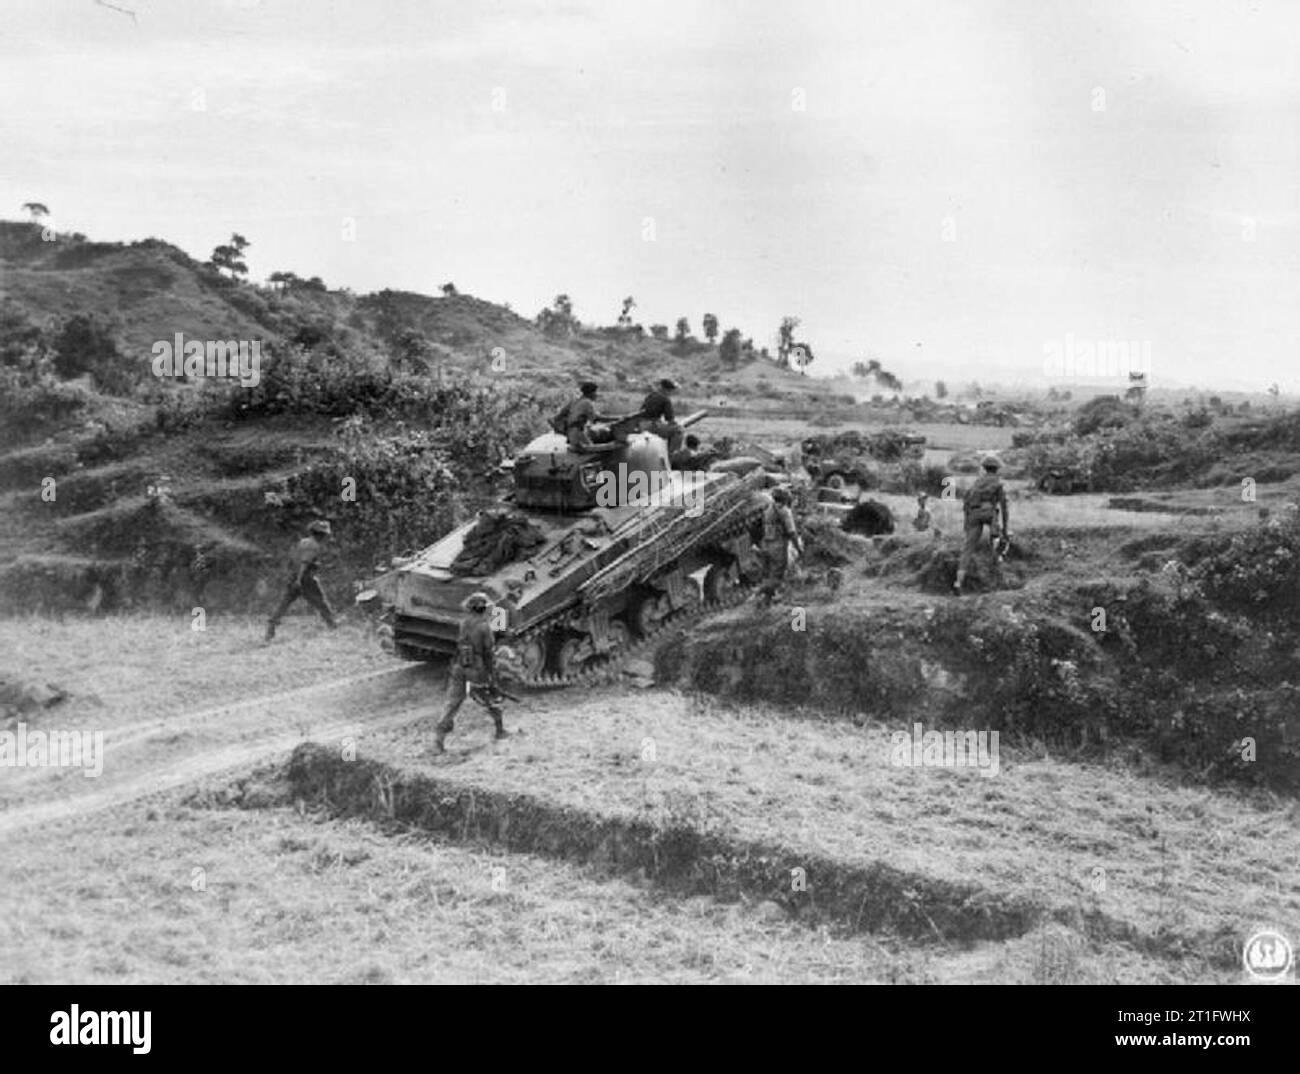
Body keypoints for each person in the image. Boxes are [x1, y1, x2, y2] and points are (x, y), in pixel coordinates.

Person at [433, 592, 508, 754]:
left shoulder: (464, 623)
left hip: (460, 665)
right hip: (477, 667)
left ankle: (438, 740)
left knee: (452, 703)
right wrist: (492, 675)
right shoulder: (484, 627)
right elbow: (488, 652)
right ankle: (500, 730)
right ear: (482, 609)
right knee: (490, 697)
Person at [265, 520, 336, 642]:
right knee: (321, 602)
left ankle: (272, 625)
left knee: (285, 602)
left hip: (294, 576)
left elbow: (294, 559)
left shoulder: (303, 542)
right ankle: (333, 626)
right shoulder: (314, 545)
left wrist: (294, 577)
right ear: (320, 534)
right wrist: (299, 579)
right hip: (306, 578)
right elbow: (305, 563)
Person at [954, 455, 1010, 594]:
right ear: (996, 469)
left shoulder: (976, 483)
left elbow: (966, 503)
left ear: (984, 469)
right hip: (989, 513)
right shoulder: (998, 484)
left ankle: (958, 582)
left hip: (973, 515)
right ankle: (998, 572)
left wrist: (966, 525)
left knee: (967, 550)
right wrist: (1005, 529)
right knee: (996, 539)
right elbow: (1004, 507)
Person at [756, 486, 803, 604]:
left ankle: (766, 601)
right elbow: (791, 532)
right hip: (777, 547)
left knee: (767, 574)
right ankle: (758, 593)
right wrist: (799, 548)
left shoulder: (768, 509)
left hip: (765, 545)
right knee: (777, 575)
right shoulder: (784, 511)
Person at [560, 382, 619, 452]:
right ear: (591, 393)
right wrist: (618, 418)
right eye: (595, 392)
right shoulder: (587, 402)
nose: (597, 395)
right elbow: (596, 418)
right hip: (578, 434)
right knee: (598, 452)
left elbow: (562, 414)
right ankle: (622, 463)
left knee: (593, 449)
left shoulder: (575, 401)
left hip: (571, 434)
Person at [640, 378, 684, 454]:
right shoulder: (665, 399)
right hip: (651, 426)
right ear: (668, 390)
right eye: (671, 390)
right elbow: (670, 420)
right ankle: (671, 456)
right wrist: (675, 425)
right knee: (678, 430)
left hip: (641, 424)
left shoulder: (651, 395)